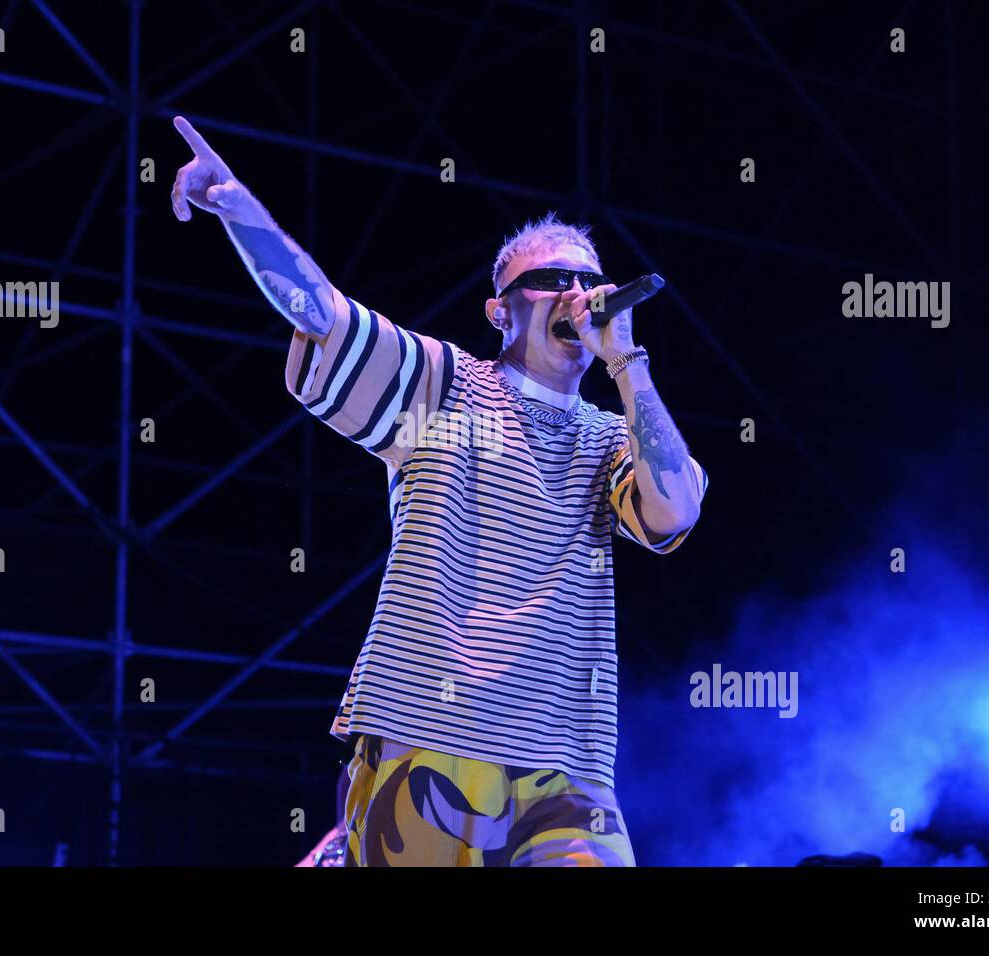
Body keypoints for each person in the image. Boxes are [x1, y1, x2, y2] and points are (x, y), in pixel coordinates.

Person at [171, 116, 707, 866]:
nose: (576, 294)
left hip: (569, 770)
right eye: (550, 279)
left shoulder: (608, 439)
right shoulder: (443, 385)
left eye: (588, 280)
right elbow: (320, 311)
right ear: (500, 310)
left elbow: (674, 511)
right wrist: (237, 207)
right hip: (429, 738)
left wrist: (629, 361)